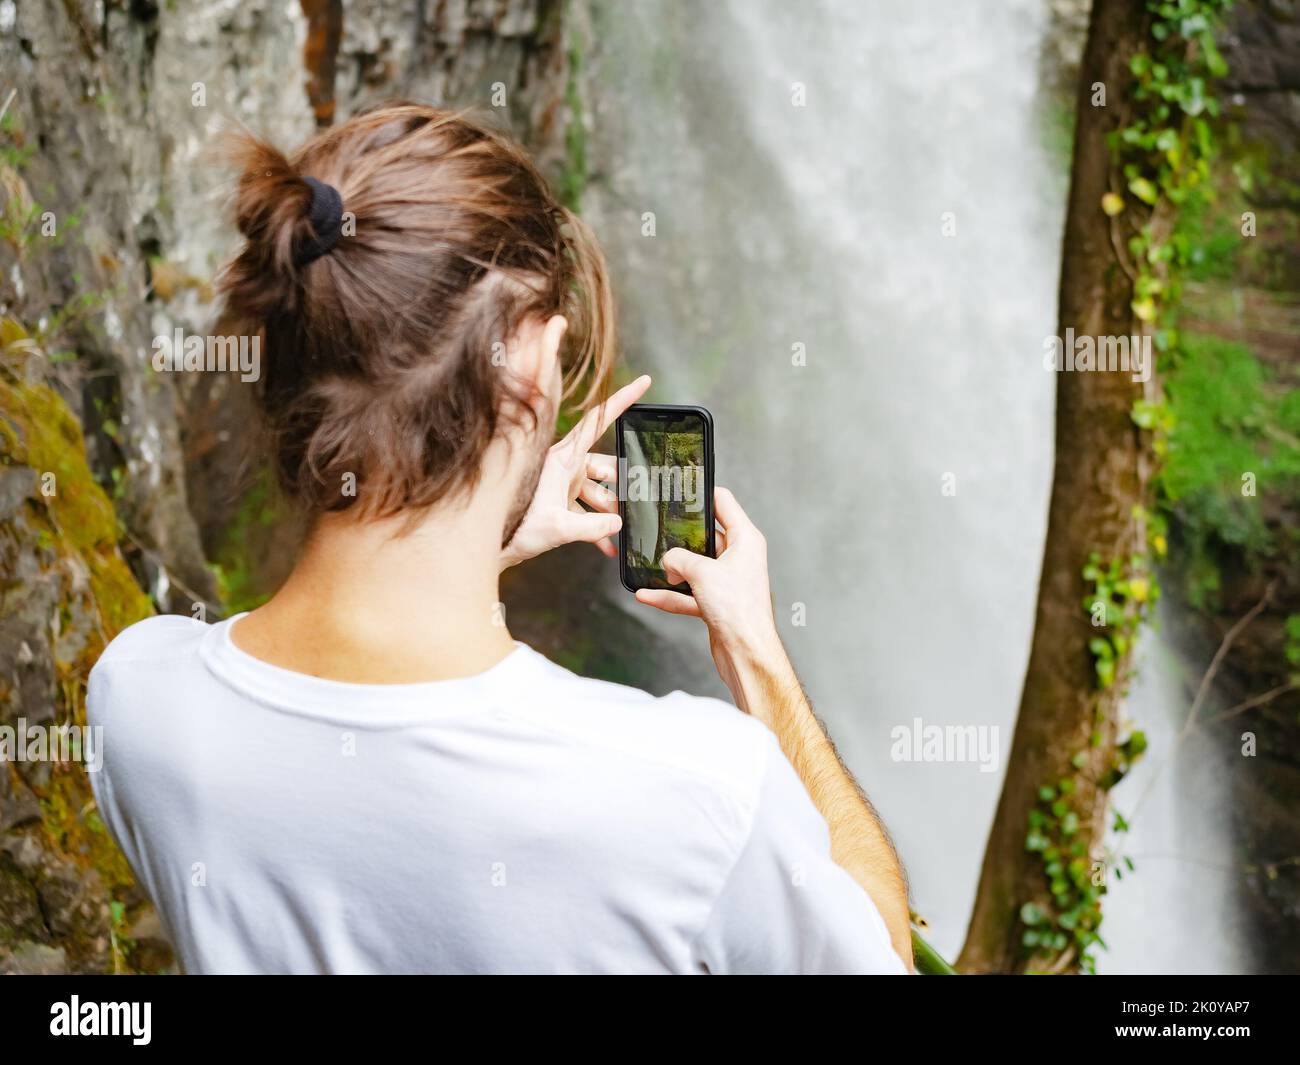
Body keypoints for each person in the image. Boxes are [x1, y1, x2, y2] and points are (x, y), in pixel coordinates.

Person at [88, 104, 911, 974]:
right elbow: (881, 956)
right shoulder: (694, 794)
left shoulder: (139, 702)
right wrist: (756, 651)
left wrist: (488, 536)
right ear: (530, 363)